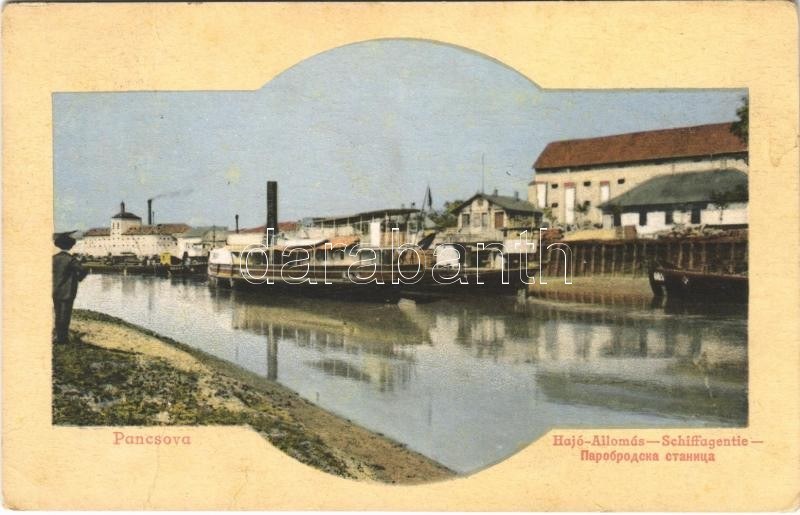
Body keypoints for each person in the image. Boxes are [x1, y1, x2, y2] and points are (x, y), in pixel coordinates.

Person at [52, 231, 87, 344]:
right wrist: (78, 279)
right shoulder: (71, 259)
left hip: (55, 290)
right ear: (70, 246)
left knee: (58, 314)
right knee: (65, 315)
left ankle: (58, 336)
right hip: (67, 292)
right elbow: (83, 270)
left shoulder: (54, 258)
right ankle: (63, 338)